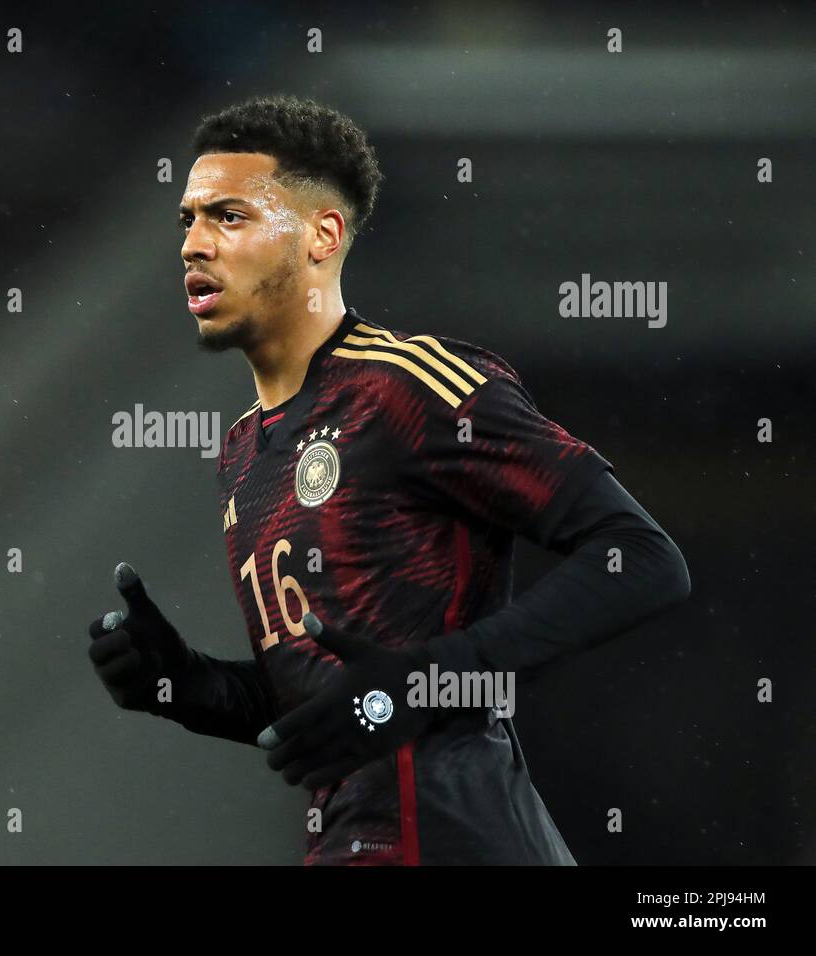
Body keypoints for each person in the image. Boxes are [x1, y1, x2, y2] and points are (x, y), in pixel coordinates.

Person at [88, 95, 691, 865]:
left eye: (229, 217)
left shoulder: (408, 387)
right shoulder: (243, 452)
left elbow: (641, 558)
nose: (194, 244)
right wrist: (189, 685)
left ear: (322, 234)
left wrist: (433, 678)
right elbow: (340, 699)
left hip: (452, 834)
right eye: (188, 220)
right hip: (353, 839)